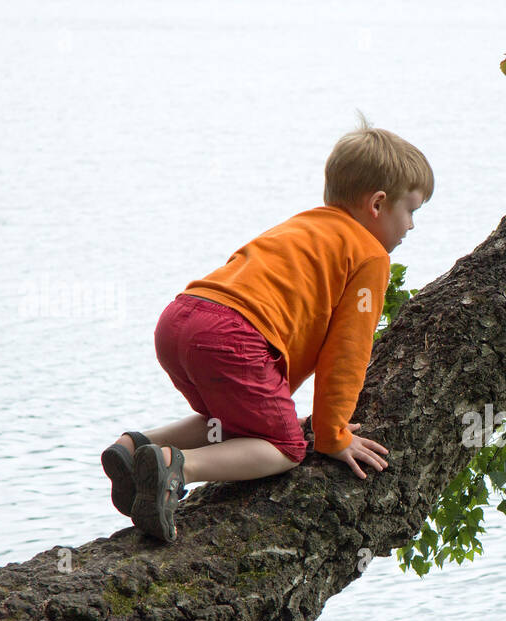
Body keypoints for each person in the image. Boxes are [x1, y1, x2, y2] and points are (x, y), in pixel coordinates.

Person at [101, 117, 432, 542]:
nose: (411, 226)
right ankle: (174, 464)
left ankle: (133, 449)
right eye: (411, 211)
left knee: (232, 423)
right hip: (232, 336)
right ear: (378, 204)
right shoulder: (369, 255)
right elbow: (347, 355)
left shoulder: (306, 225)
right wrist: (333, 436)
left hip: (180, 319)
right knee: (286, 448)